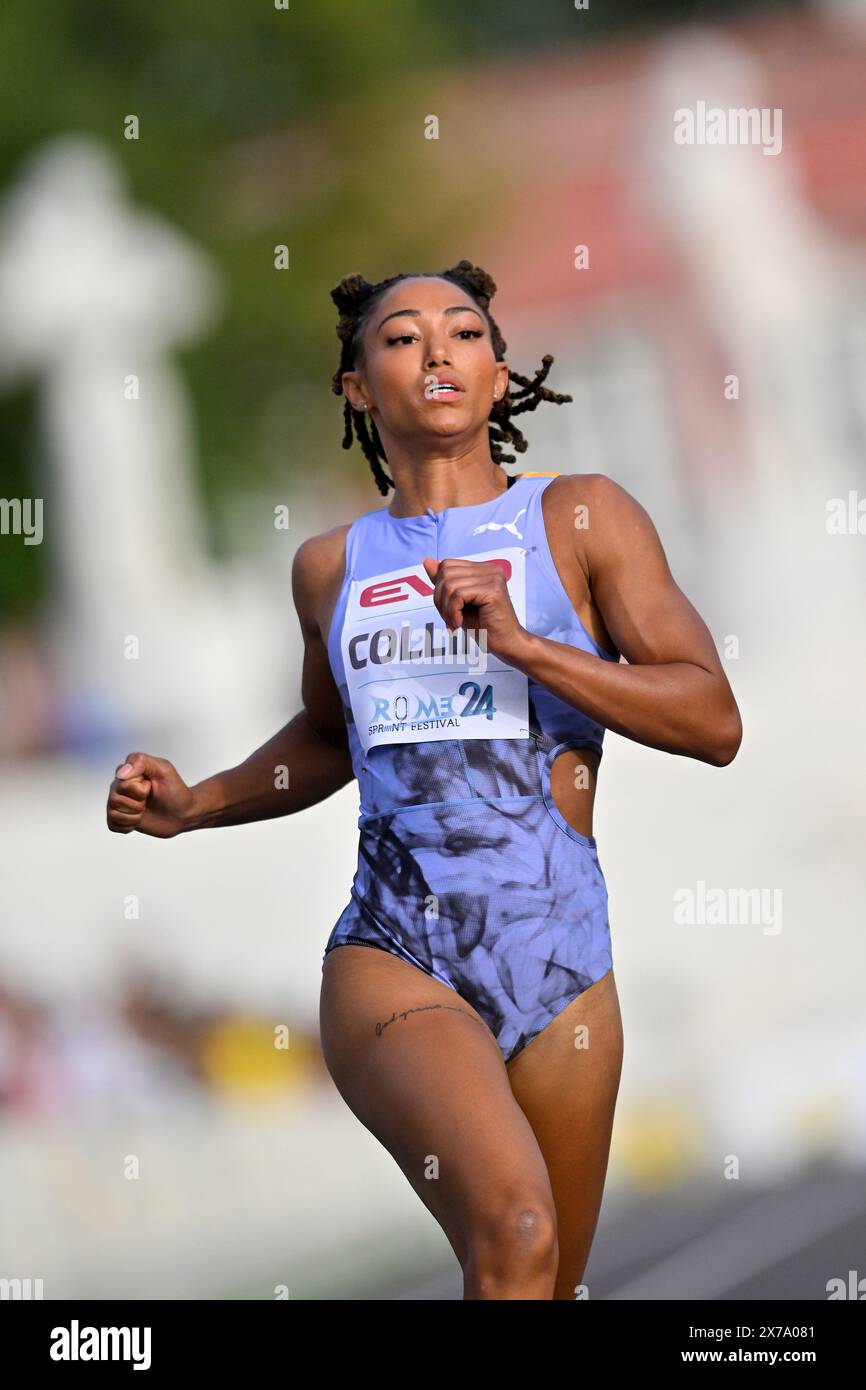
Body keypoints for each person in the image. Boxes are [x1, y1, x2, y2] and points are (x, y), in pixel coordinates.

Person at [106, 259, 742, 1300]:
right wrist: (197, 803)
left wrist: (525, 646)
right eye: (400, 338)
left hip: (564, 966)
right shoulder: (329, 566)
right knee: (516, 1225)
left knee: (536, 1280)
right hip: (397, 954)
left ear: (497, 374)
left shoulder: (581, 519)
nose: (436, 351)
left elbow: (711, 718)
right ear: (356, 387)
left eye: (464, 333)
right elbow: (323, 736)